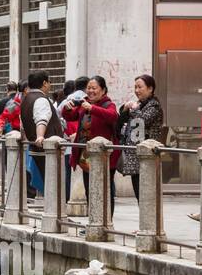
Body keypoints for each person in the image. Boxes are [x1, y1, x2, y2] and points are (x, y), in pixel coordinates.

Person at [62, 75, 120, 213]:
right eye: (88, 88)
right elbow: (70, 116)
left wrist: (92, 108)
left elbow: (113, 116)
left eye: (94, 88)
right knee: (90, 189)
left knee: (105, 190)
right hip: (86, 156)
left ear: (103, 90)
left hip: (104, 157)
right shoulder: (84, 103)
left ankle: (106, 222)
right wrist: (67, 108)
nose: (91, 91)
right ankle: (93, 221)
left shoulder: (108, 104)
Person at [117, 74, 164, 200]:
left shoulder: (154, 106)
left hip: (147, 156)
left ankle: (151, 220)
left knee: (146, 196)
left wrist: (134, 110)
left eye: (140, 87)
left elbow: (142, 121)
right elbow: (120, 122)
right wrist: (125, 109)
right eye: (135, 87)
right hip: (135, 156)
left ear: (150, 88)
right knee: (139, 194)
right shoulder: (139, 104)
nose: (137, 91)